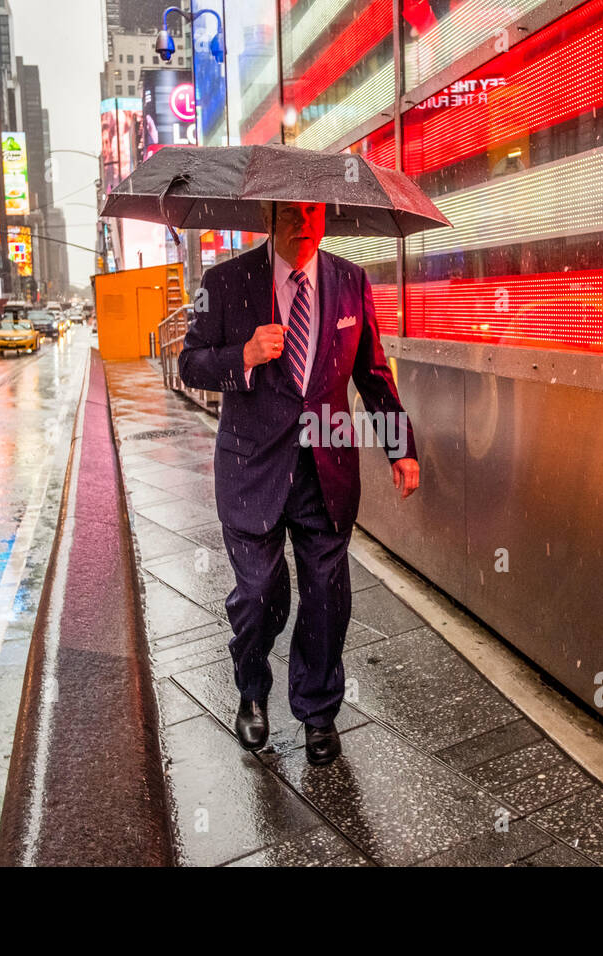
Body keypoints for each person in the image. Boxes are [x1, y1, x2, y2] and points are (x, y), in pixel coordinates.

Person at [179, 201, 421, 765]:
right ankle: (252, 689)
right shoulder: (225, 281)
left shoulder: (349, 281)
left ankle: (317, 711)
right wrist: (241, 354)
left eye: (314, 211)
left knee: (326, 598)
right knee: (260, 595)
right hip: (251, 470)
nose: (305, 223)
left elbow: (372, 374)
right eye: (292, 213)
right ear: (268, 215)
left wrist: (400, 447)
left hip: (326, 469)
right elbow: (189, 363)